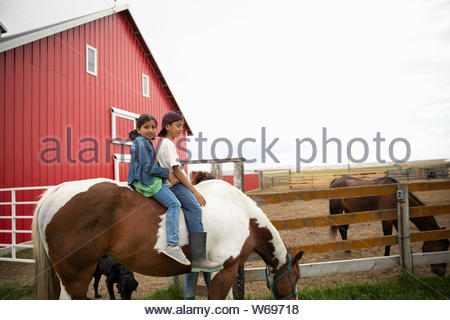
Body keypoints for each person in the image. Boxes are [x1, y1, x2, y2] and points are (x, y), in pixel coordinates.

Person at [156, 111, 223, 274]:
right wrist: (193, 190)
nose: (181, 130)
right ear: (167, 127)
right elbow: (177, 171)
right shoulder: (168, 144)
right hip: (175, 186)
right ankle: (199, 258)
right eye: (178, 126)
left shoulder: (162, 143)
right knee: (194, 208)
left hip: (170, 183)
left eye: (182, 126)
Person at [127, 113, 190, 265]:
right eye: (146, 127)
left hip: (145, 176)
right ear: (138, 129)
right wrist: (167, 173)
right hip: (144, 180)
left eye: (153, 127)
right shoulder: (142, 143)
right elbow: (148, 167)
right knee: (174, 204)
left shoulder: (144, 141)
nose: (150, 130)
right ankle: (173, 245)